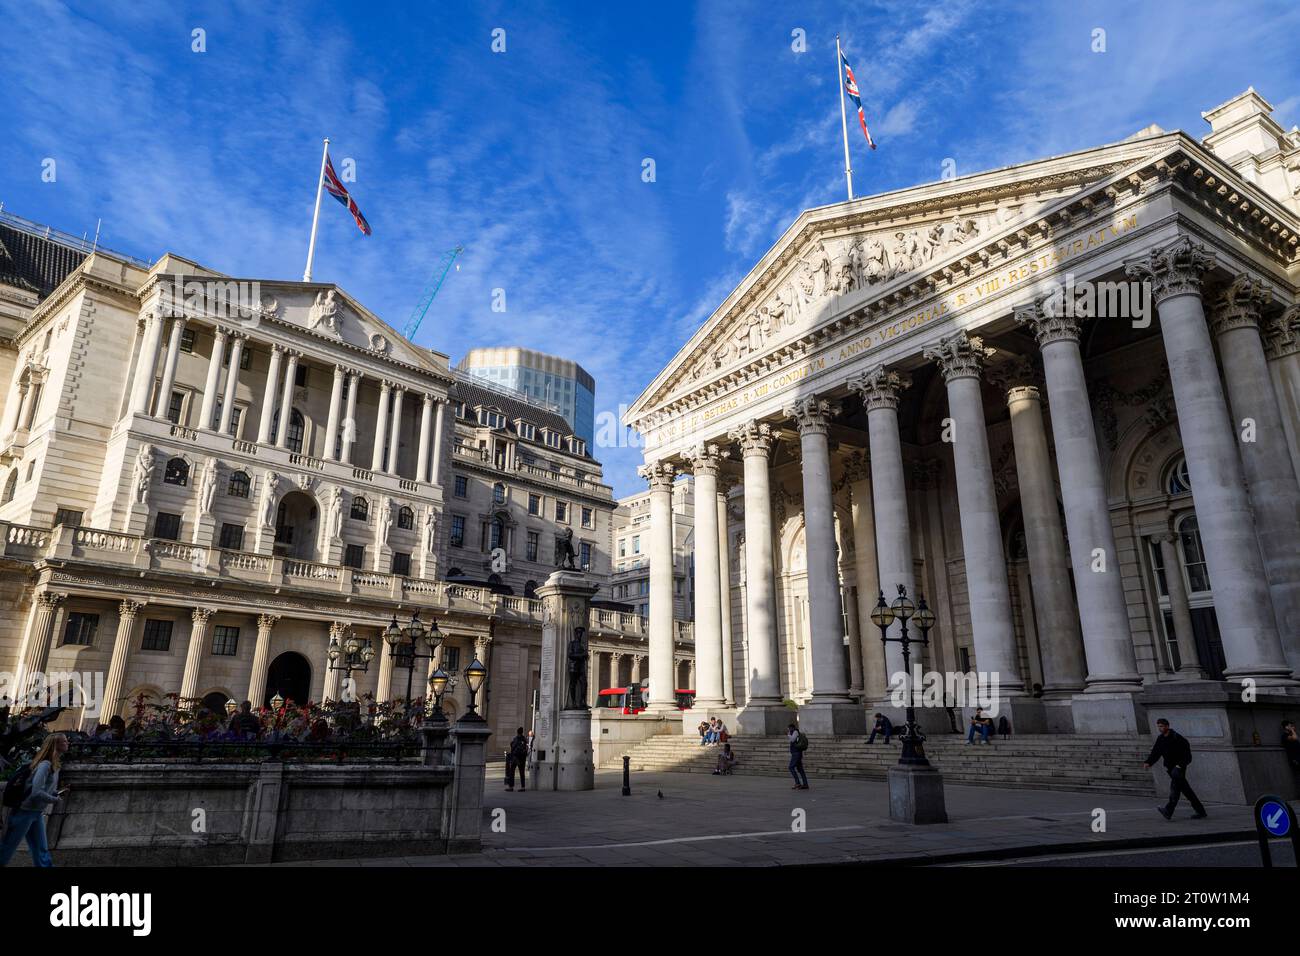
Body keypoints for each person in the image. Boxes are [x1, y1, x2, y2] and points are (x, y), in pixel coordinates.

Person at [0, 732, 68, 867]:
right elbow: (36, 792)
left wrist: (56, 793)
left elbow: (41, 788)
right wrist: (54, 800)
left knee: (41, 849)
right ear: (56, 745)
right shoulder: (45, 765)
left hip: (35, 812)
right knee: (8, 847)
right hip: (24, 812)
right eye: (64, 741)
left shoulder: (54, 765)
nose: (68, 743)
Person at [1143, 718, 1207, 820]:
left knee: (1175, 789)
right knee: (1186, 790)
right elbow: (1156, 752)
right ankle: (1201, 811)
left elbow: (1187, 756)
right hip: (1170, 768)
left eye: (1162, 726)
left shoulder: (1178, 738)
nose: (1160, 728)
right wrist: (1148, 762)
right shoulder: (1160, 739)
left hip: (1178, 769)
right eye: (1159, 726)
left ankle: (1168, 811)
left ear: (1167, 726)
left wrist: (1179, 766)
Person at [505, 726, 529, 792]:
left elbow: (512, 746)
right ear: (522, 732)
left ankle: (511, 787)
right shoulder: (524, 739)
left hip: (515, 758)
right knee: (522, 772)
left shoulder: (516, 738)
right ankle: (523, 787)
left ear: (517, 732)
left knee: (512, 772)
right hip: (522, 758)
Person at [787, 723, 809, 790]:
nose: (789, 729)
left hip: (796, 753)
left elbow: (792, 740)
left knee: (791, 767)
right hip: (796, 753)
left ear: (792, 727)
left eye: (790, 728)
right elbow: (792, 740)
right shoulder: (793, 732)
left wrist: (788, 735)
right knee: (800, 769)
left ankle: (798, 783)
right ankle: (805, 784)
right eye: (789, 728)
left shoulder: (795, 732)